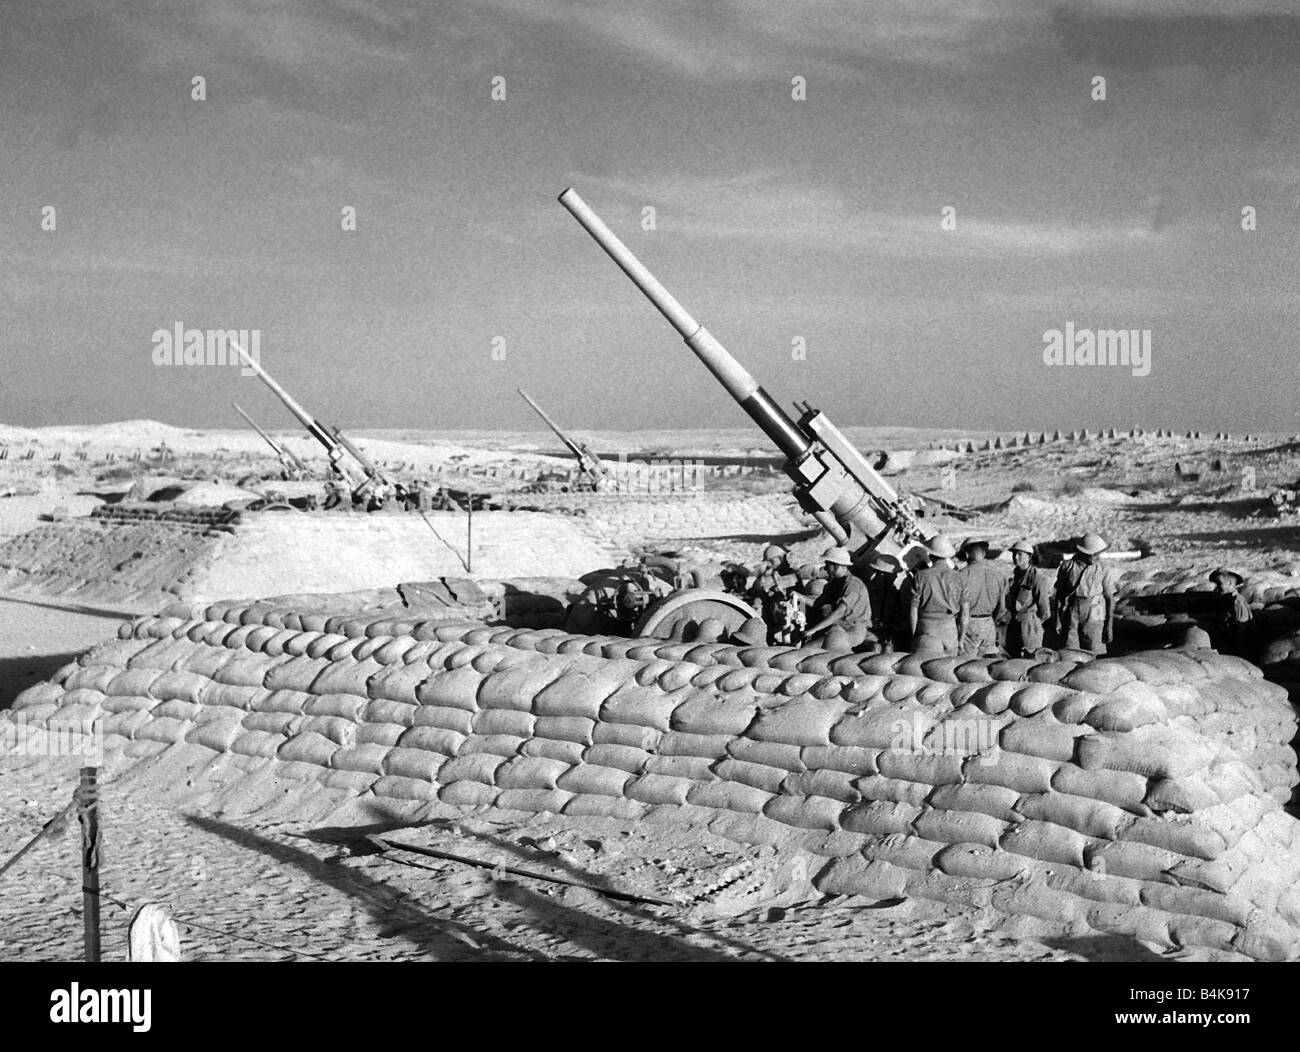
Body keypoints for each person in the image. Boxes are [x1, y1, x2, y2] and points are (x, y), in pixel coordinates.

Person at [1054, 532, 1116, 654]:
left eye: (1099, 554)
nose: (1098, 557)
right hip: (1071, 609)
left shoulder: (1103, 569)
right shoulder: (1068, 566)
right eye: (1095, 554)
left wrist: (1109, 626)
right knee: (1070, 651)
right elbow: (1059, 594)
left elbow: (1110, 598)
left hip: (1095, 609)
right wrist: (1057, 619)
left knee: (1095, 650)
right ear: (1084, 553)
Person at [907, 534, 968, 655]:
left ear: (930, 554)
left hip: (927, 629)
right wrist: (961, 639)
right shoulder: (959, 577)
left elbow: (913, 613)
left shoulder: (921, 576)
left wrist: (914, 636)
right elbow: (965, 614)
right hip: (950, 631)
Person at [804, 546, 873, 652]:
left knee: (808, 650)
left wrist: (814, 630)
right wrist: (797, 596)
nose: (825, 568)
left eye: (827, 564)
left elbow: (840, 611)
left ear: (835, 565)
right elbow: (816, 604)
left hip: (850, 631)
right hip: (837, 626)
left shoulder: (853, 584)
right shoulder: (835, 582)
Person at [1005, 539, 1052, 656]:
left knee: (1029, 659)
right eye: (1014, 554)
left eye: (1020, 554)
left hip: (1029, 624)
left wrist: (1034, 623)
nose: (1016, 557)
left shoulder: (1036, 577)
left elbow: (1045, 609)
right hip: (1015, 622)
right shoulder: (1017, 575)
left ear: (1029, 557)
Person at [958, 538, 1005, 654]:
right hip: (989, 625)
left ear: (966, 554)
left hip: (969, 626)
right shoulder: (999, 575)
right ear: (983, 554)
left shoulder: (961, 575)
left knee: (966, 667)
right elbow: (1002, 608)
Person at [862, 551, 906, 651]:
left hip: (885, 632)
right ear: (883, 574)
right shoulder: (870, 591)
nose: (896, 577)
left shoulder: (893, 592)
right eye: (893, 574)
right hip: (869, 631)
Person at [1209, 568, 1253, 655]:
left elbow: (1241, 631)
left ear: (1230, 583)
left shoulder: (1237, 602)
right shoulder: (1227, 600)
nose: (1216, 588)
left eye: (1219, 584)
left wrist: (1233, 652)